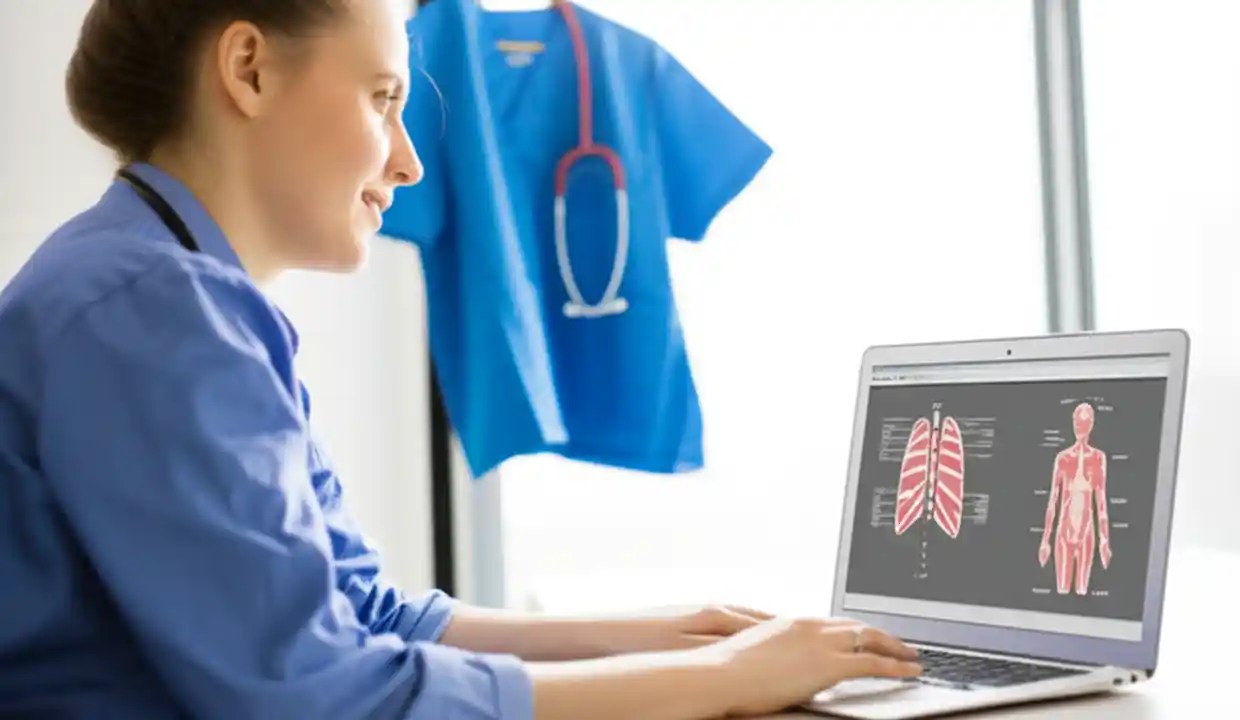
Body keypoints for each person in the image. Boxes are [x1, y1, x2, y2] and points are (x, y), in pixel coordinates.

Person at [0, 0, 921, 717]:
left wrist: (676, 636)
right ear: (248, 68)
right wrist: (719, 679)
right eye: (384, 99)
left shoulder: (179, 297)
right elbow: (324, 697)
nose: (409, 164)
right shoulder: (146, 312)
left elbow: (368, 616)